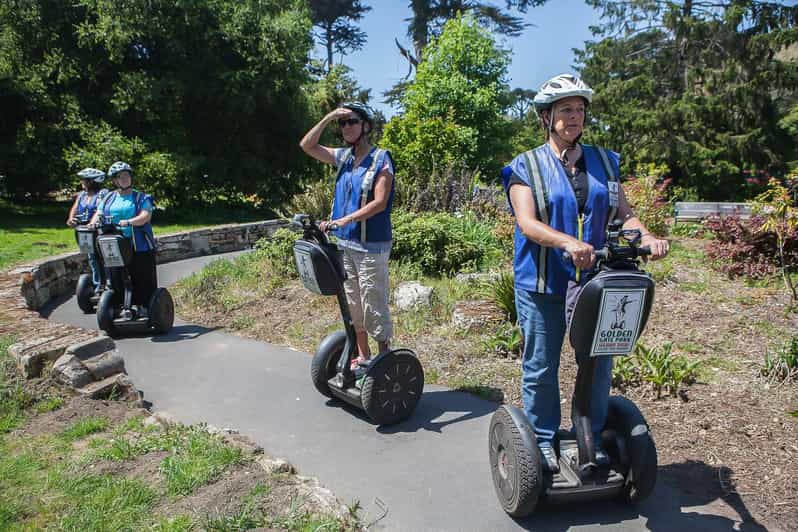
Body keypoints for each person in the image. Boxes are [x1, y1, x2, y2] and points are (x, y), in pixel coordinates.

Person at [501, 74, 670, 472]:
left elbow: (624, 215)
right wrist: (566, 242)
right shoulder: (524, 166)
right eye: (565, 111)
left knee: (598, 361)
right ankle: (541, 441)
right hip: (543, 283)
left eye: (579, 110)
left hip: (597, 283)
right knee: (541, 364)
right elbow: (527, 223)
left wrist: (646, 237)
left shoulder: (605, 162)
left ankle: (587, 437)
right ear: (547, 117)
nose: (574, 117)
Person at [299, 102, 395, 369]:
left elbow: (379, 202)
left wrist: (344, 219)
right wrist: (329, 116)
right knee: (353, 302)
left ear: (366, 126)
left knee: (372, 301)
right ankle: (363, 356)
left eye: (351, 121)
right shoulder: (343, 157)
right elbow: (306, 145)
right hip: (345, 244)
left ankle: (385, 359)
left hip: (371, 246)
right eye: (343, 123)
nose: (346, 127)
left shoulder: (381, 159)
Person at [90, 161, 157, 319]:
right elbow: (99, 213)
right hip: (114, 245)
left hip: (138, 245)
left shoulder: (141, 197)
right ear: (115, 180)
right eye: (121, 177)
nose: (125, 179)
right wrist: (93, 223)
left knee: (141, 276)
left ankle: (145, 307)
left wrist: (130, 221)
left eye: (127, 176)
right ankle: (120, 306)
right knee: (116, 278)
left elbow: (145, 216)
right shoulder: (108, 198)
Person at [67, 168, 109, 289]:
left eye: (84, 180)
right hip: (84, 231)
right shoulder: (82, 195)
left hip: (100, 230)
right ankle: (98, 284)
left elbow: (102, 209)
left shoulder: (103, 193)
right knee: (92, 258)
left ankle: (109, 282)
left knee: (104, 256)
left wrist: (94, 222)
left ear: (92, 181)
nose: (82, 182)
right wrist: (71, 219)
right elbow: (74, 208)